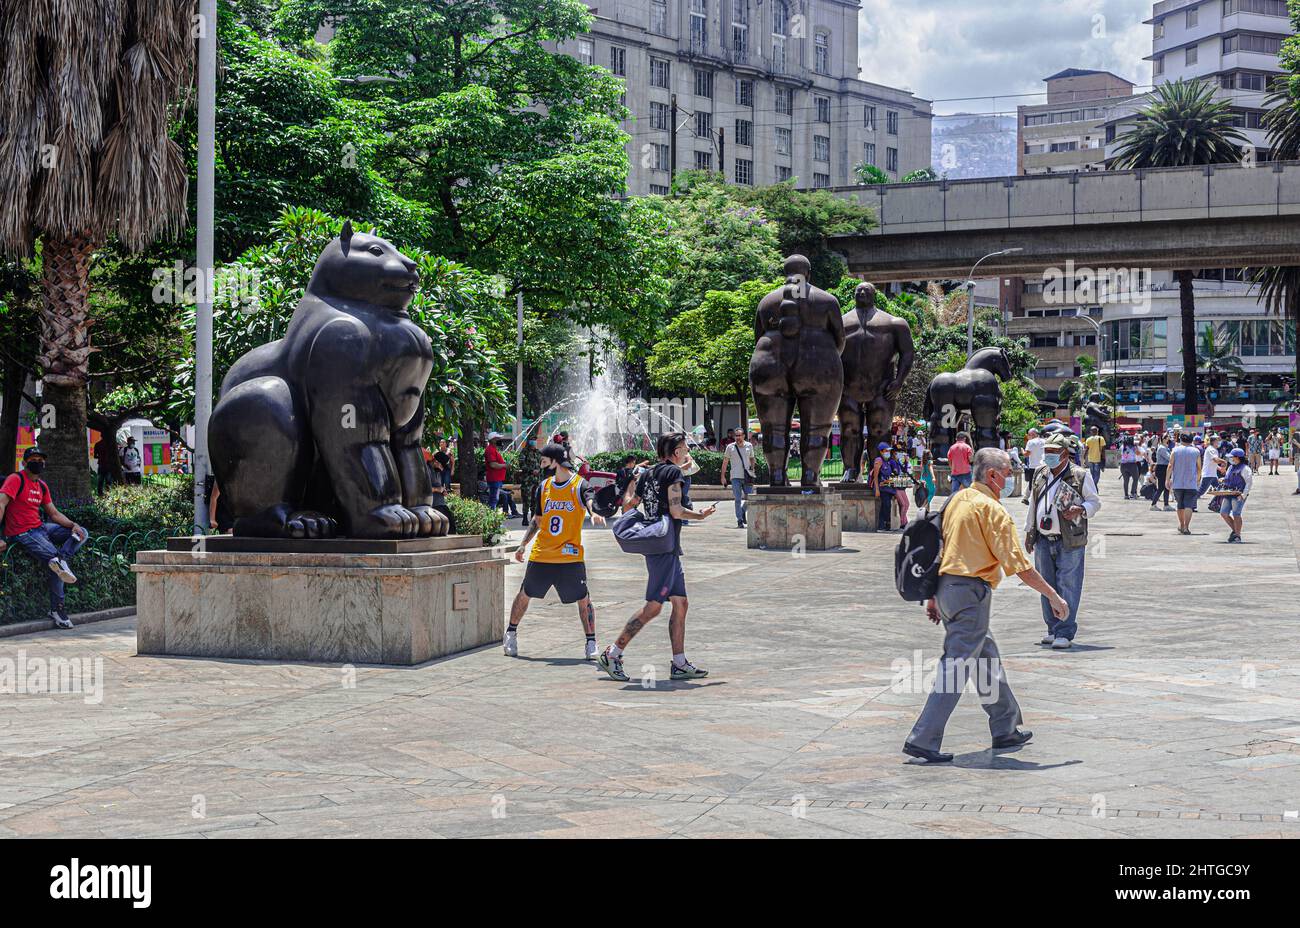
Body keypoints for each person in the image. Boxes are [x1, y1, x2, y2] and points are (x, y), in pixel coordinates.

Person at [903, 448, 1069, 764]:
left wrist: (934, 595)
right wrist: (1053, 596)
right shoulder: (992, 511)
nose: (1010, 478)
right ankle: (922, 738)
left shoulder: (958, 499)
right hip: (970, 593)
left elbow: (940, 548)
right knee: (956, 665)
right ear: (992, 475)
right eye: (1007, 472)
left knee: (986, 659)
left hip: (949, 589)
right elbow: (1020, 566)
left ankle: (1006, 727)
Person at [597, 432, 716, 683]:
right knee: (653, 607)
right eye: (684, 448)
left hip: (662, 546)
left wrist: (631, 481)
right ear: (675, 453)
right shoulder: (672, 473)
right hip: (664, 547)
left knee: (681, 603)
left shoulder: (648, 474)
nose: (686, 452)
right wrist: (701, 515)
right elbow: (676, 509)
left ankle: (679, 663)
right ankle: (613, 652)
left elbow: (630, 505)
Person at [504, 442, 605, 660]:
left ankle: (591, 642)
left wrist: (593, 512)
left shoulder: (579, 485)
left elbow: (589, 499)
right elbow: (537, 520)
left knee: (583, 598)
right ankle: (511, 633)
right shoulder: (543, 487)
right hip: (543, 553)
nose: (541, 465)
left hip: (570, 555)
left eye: (543, 461)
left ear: (555, 462)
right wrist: (523, 544)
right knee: (525, 593)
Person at [1023, 435, 1101, 650]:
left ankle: (1064, 630)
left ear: (1064, 454)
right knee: (1046, 586)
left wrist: (1081, 509)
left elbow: (1095, 502)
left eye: (1052, 452)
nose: (1047, 456)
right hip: (1043, 539)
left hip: (1069, 540)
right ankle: (1052, 628)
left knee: (1068, 585)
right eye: (1046, 451)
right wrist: (1030, 531)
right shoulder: (1040, 473)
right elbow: (1032, 504)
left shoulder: (1080, 475)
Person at [0, 447, 89, 629]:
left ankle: (61, 559)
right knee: (54, 562)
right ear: (24, 463)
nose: (38, 462)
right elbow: (0, 504)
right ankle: (57, 609)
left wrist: (73, 525)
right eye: (33, 459)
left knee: (82, 533)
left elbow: (54, 514)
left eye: (41, 460)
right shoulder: (16, 479)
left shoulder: (41, 485)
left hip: (41, 528)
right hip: (22, 532)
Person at [721, 428, 756, 528]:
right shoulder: (730, 447)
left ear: (744, 436)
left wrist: (752, 469)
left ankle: (743, 510)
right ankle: (739, 520)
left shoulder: (749, 446)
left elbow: (752, 458)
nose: (738, 438)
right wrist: (723, 476)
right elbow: (725, 462)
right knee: (737, 499)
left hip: (747, 476)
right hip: (735, 477)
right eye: (736, 436)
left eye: (739, 435)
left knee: (750, 498)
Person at [1168, 431, 1201, 535]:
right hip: (1191, 483)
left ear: (1181, 439)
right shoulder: (1196, 451)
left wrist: (1167, 479)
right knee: (1189, 506)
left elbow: (1170, 465)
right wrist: (1198, 479)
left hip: (1177, 483)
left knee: (1180, 505)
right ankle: (1186, 527)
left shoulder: (1175, 450)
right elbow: (1199, 467)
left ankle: (1181, 525)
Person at [1218, 448, 1253, 543]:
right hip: (1228, 493)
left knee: (1236, 514)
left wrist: (1243, 495)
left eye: (1232, 457)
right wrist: (1223, 480)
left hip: (1238, 495)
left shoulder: (1245, 469)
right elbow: (1227, 478)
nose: (1231, 459)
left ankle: (1237, 535)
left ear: (1237, 458)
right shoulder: (1230, 467)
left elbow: (1249, 483)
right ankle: (1236, 531)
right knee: (1223, 513)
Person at [517, 429, 542, 526]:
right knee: (526, 499)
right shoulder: (524, 452)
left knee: (535, 499)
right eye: (532, 440)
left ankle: (533, 518)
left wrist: (540, 471)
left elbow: (542, 464)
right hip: (527, 480)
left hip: (536, 481)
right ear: (528, 441)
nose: (534, 441)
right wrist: (531, 471)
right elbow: (521, 464)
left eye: (535, 440)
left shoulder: (538, 452)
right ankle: (524, 518)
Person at [484, 433, 508, 512]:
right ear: (493, 440)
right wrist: (504, 466)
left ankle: (492, 519)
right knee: (494, 499)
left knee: (494, 499)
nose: (499, 440)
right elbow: (493, 465)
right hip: (494, 478)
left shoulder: (493, 449)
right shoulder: (490, 449)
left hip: (496, 479)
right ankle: (492, 520)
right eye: (497, 438)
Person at [1021, 428, 1046, 504]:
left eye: (1028, 434)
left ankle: (1032, 500)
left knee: (1032, 483)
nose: (1028, 436)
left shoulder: (1030, 442)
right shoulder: (1044, 441)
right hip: (1043, 465)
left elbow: (1026, 454)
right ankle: (1026, 497)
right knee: (1041, 482)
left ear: (1032, 434)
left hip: (1033, 466)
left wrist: (1022, 451)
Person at [1197, 437, 1223, 502]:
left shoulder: (1214, 449)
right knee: (1201, 491)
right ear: (1214, 442)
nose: (1219, 442)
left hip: (1213, 475)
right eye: (1218, 441)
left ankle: (1218, 505)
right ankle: (1189, 503)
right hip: (1208, 474)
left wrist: (1219, 468)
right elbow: (1215, 460)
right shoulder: (1211, 449)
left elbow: (1213, 462)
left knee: (1219, 491)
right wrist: (1224, 462)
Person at [1152, 434, 1173, 511]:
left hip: (1164, 468)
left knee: (1166, 487)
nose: (1169, 439)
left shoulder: (1165, 447)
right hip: (1162, 468)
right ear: (1164, 439)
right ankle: (1153, 504)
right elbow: (1169, 458)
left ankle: (1166, 505)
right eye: (1167, 438)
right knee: (1161, 488)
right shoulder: (1162, 448)